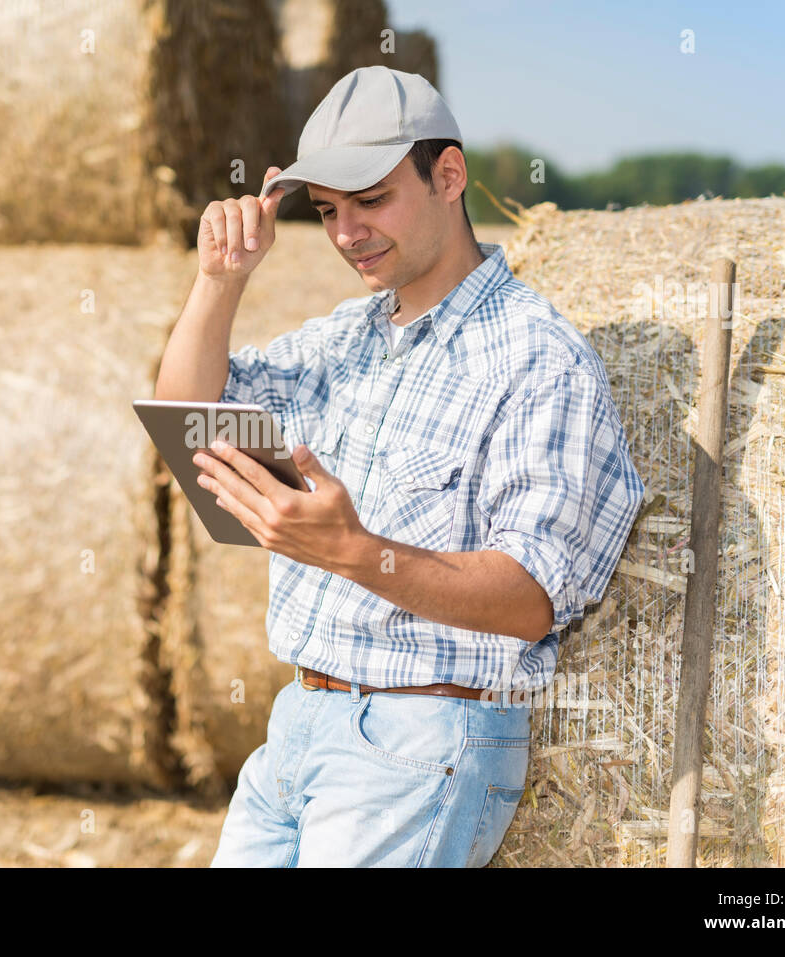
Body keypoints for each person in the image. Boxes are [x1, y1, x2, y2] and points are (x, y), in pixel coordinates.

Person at [153, 65, 645, 867]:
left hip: (420, 743)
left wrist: (352, 550)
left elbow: (530, 598)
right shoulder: (342, 338)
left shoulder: (536, 358)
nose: (347, 233)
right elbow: (191, 416)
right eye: (328, 211)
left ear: (448, 175)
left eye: (371, 200)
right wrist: (219, 281)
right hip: (298, 725)